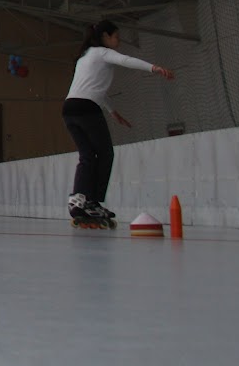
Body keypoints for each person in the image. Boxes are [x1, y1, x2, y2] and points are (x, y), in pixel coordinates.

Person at [63, 19, 174, 226]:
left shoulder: (85, 57)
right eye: (116, 37)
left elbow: (94, 88)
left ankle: (78, 200)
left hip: (69, 109)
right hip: (87, 109)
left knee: (87, 156)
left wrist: (113, 112)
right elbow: (126, 60)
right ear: (105, 36)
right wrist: (154, 68)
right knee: (105, 154)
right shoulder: (102, 53)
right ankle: (92, 201)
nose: (118, 41)